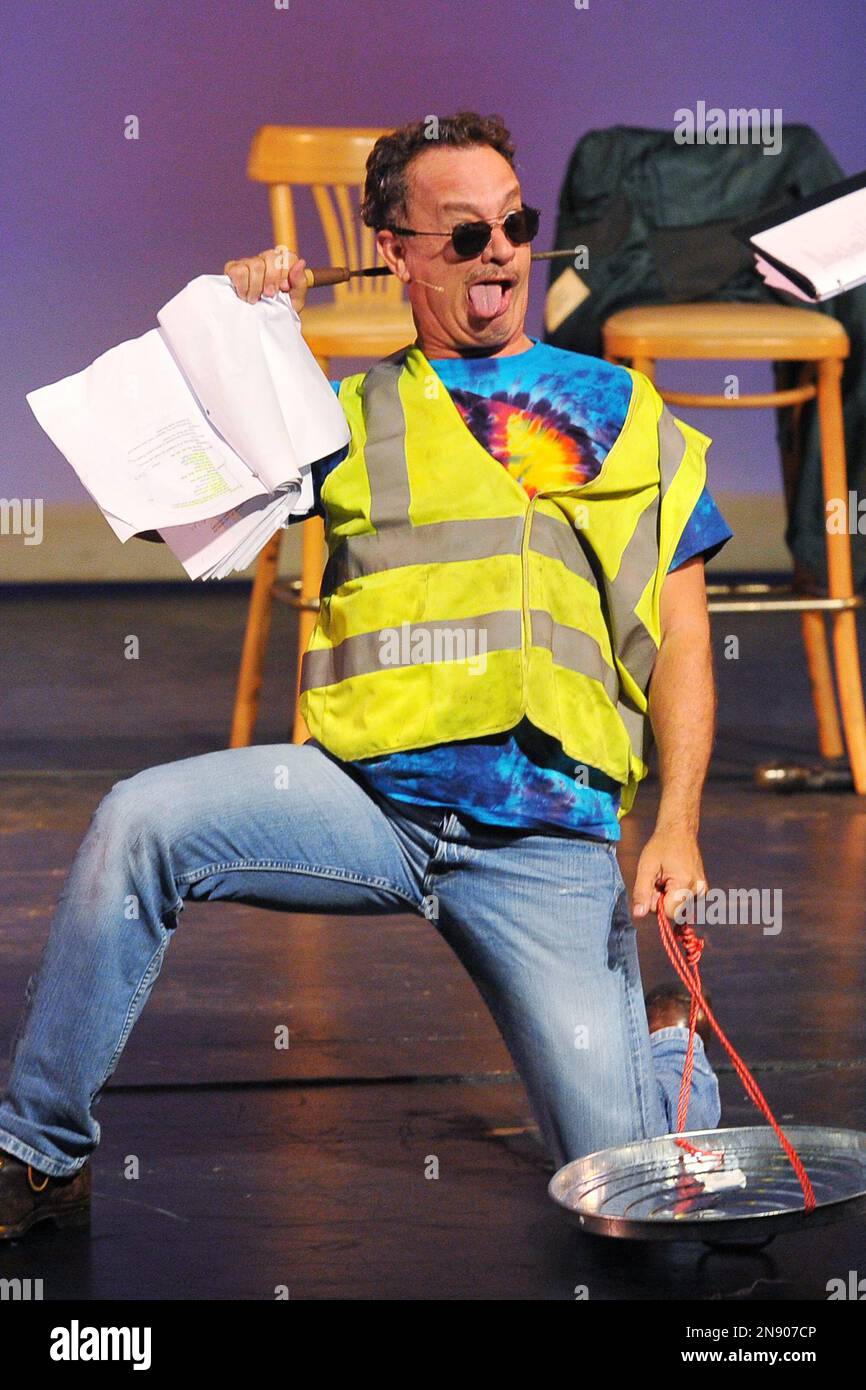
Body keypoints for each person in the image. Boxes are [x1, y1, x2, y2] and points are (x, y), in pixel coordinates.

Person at [0, 111, 726, 1243]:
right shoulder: (335, 418)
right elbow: (162, 509)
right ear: (393, 249)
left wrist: (674, 821)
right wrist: (235, 333)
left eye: (515, 225)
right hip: (366, 805)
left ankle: (667, 1041)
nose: (499, 251)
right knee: (139, 818)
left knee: (629, 1203)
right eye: (465, 231)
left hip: (543, 839)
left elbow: (683, 628)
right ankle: (37, 1152)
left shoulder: (616, 408)